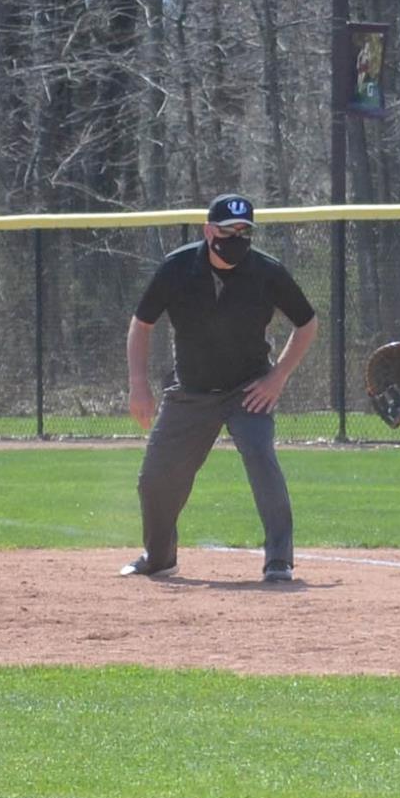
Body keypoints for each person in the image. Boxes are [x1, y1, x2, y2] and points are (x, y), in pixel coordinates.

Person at [123, 193, 320, 582]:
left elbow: (307, 323)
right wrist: (138, 384)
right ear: (209, 231)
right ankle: (160, 558)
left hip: (248, 390)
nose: (238, 239)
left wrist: (277, 377)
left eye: (245, 231)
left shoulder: (266, 271)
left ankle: (278, 559)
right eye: (229, 231)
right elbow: (141, 324)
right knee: (155, 479)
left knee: (262, 460)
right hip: (191, 392)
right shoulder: (177, 268)